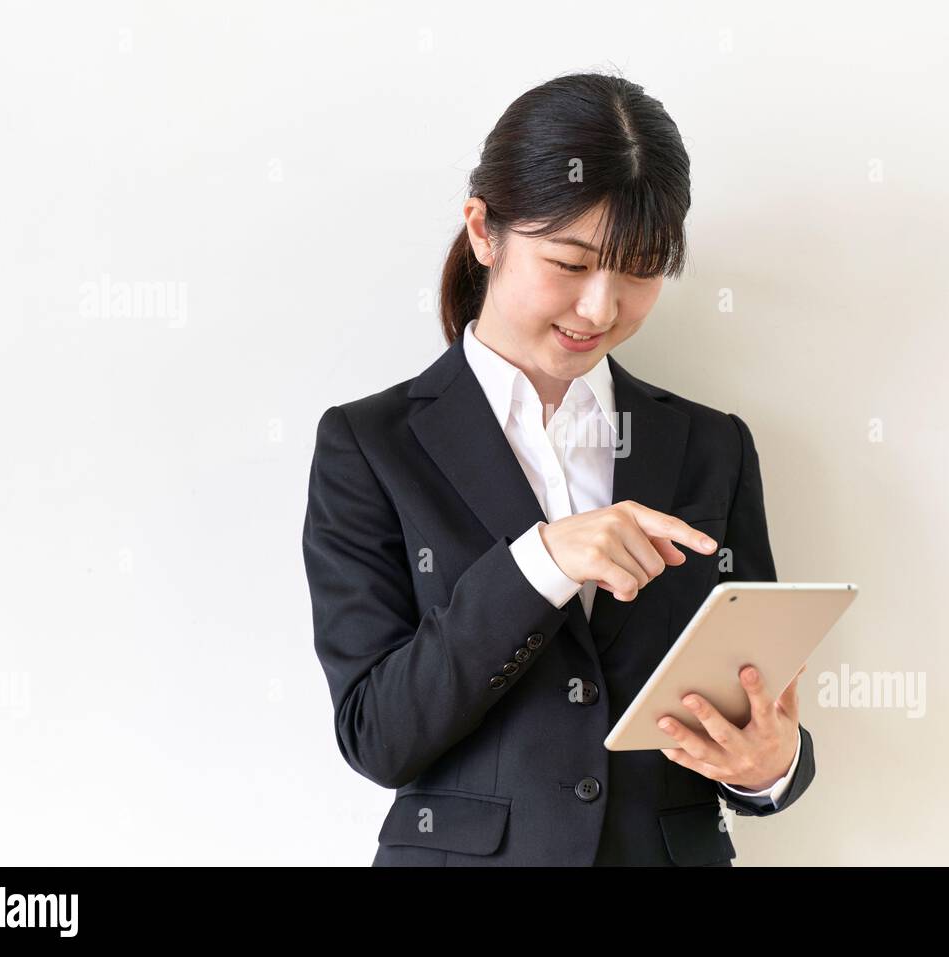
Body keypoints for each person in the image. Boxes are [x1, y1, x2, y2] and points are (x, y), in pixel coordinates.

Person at [302, 71, 814, 866]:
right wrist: (539, 563)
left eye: (640, 270)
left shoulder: (714, 446)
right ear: (483, 230)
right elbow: (377, 735)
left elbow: (755, 691)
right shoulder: (370, 446)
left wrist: (770, 768)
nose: (601, 310)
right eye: (570, 263)